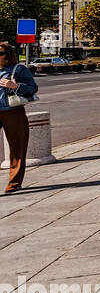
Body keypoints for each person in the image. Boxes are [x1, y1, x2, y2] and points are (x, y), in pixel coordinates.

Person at [0, 42, 39, 194]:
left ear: (8, 56)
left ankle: (14, 183)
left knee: (17, 148)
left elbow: (33, 88)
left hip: (12, 111)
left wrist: (15, 86)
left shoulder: (19, 69)